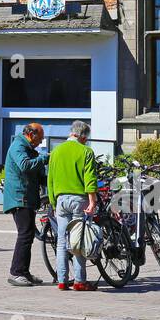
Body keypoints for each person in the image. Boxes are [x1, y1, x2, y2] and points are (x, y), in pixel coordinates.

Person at [47, 121, 97, 292]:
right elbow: (90, 179)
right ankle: (79, 281)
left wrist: (53, 202)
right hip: (79, 200)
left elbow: (50, 179)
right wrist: (92, 201)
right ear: (82, 136)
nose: (86, 141)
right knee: (79, 241)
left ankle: (62, 281)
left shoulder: (56, 152)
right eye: (86, 138)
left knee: (62, 242)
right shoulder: (86, 152)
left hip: (60, 200)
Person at [3, 122, 50, 287]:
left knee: (28, 236)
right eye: (40, 138)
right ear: (31, 134)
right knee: (24, 235)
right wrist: (44, 158)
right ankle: (16, 273)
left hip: (27, 198)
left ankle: (24, 272)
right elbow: (24, 165)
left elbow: (38, 175)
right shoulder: (18, 147)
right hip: (19, 198)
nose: (41, 142)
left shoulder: (29, 150)